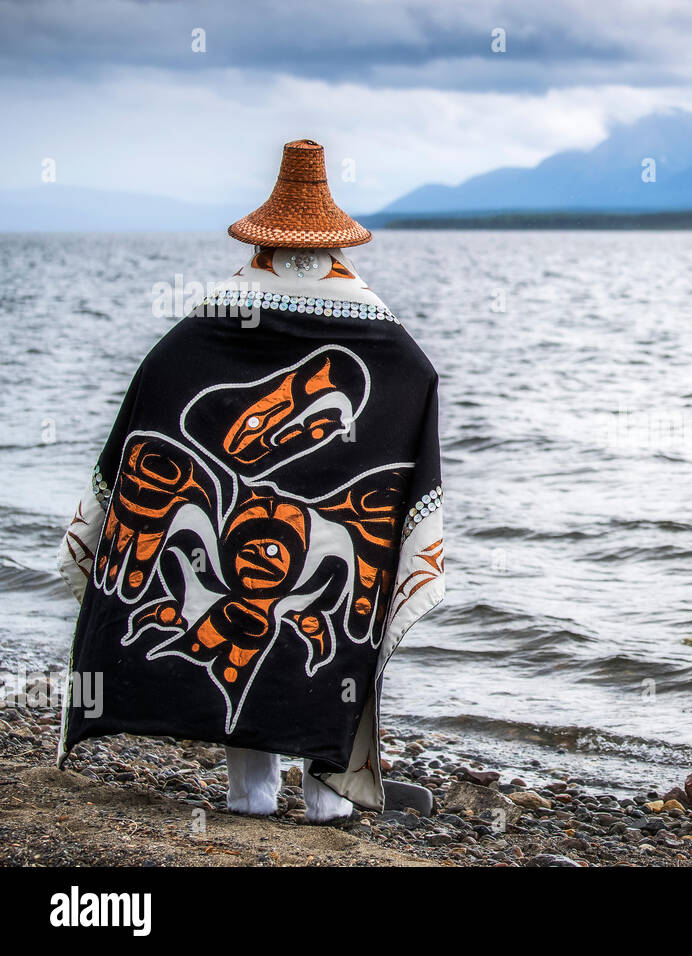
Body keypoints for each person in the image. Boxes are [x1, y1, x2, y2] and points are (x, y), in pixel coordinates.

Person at [56, 139, 445, 822]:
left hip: (246, 525)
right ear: (335, 242)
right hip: (311, 533)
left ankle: (251, 795)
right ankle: (328, 800)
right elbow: (416, 379)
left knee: (244, 617)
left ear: (265, 237)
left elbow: (159, 387)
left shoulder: (219, 312)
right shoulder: (379, 328)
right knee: (335, 629)